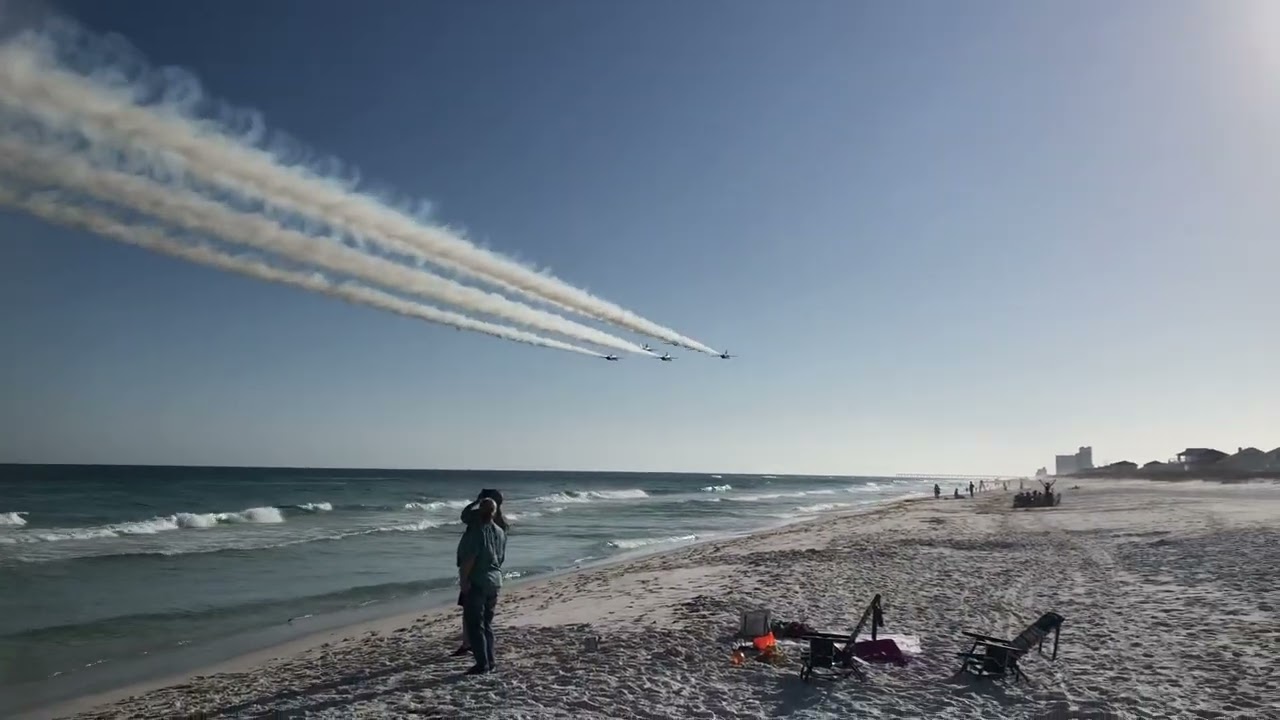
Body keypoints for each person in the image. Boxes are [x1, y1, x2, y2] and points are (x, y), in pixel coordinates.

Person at [451, 490, 508, 657]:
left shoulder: (478, 522)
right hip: (493, 575)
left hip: (476, 575)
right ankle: (484, 655)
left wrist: (476, 501)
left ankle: (471, 646)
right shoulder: (501, 526)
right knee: (486, 621)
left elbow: (464, 516)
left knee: (473, 616)